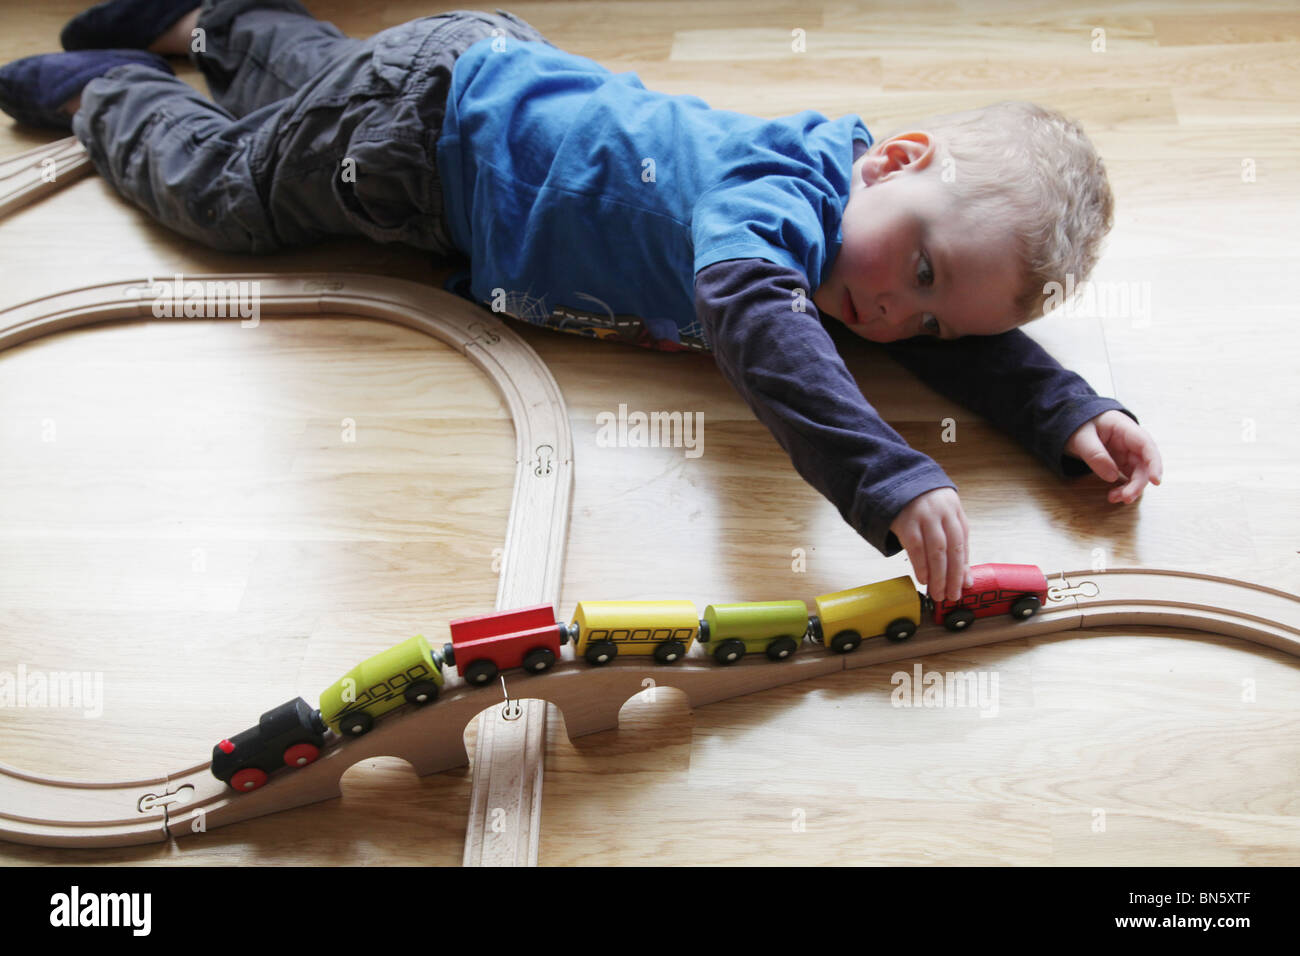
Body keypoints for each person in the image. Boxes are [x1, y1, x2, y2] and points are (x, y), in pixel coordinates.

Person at [0, 1, 1163, 604]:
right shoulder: (779, 195)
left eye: (927, 320)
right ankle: (116, 89)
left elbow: (956, 328)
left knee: (318, 84)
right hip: (418, 153)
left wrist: (1057, 409)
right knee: (228, 194)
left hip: (477, 73)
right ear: (891, 158)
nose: (890, 313)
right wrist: (891, 473)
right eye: (913, 271)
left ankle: (222, 22)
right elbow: (748, 308)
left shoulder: (876, 244)